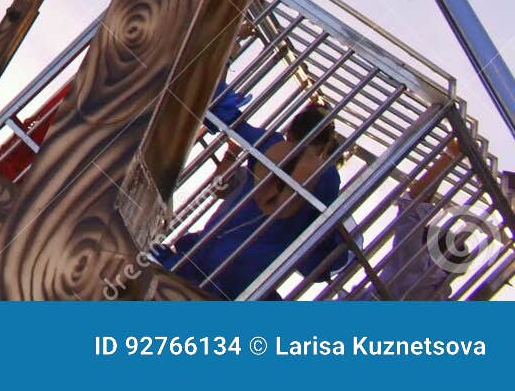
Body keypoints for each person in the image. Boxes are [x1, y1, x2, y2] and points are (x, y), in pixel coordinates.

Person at [158, 101, 349, 298]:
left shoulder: (269, 143)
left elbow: (228, 117)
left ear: (290, 130)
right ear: (325, 145)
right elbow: (324, 247)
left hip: (203, 251)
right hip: (243, 280)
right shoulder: (328, 180)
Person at [354, 140, 471, 300]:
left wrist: (449, 155)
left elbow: (413, 204)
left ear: (427, 249)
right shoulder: (438, 298)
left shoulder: (412, 262)